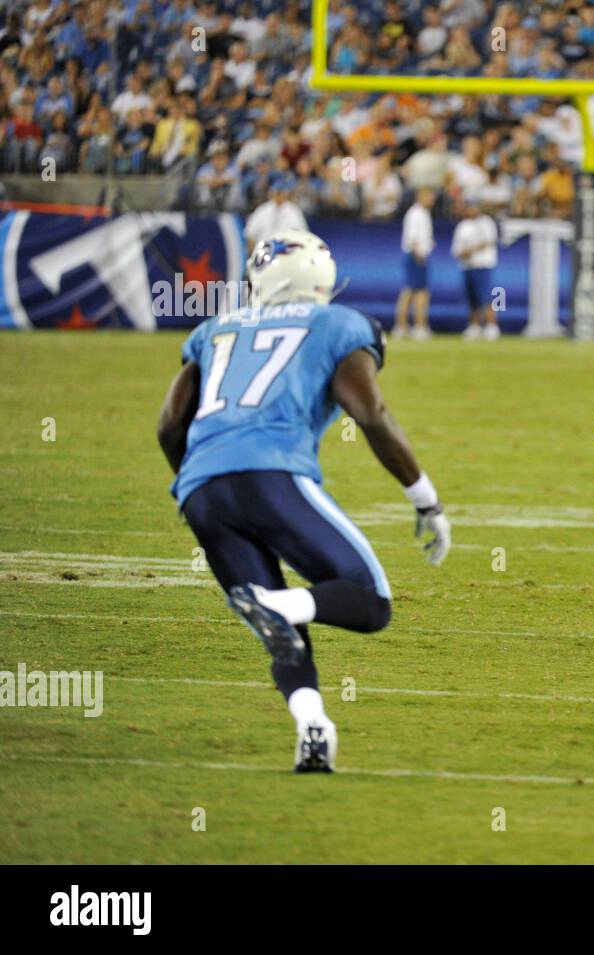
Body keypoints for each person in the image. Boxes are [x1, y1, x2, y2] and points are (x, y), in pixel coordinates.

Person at [155, 229, 452, 772]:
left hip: (201, 489)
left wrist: (197, 481)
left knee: (283, 634)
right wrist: (424, 497)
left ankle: (313, 728)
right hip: (271, 475)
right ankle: (278, 604)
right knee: (371, 602)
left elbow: (170, 423)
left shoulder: (215, 328)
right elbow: (372, 414)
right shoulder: (338, 323)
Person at [450, 197, 500, 340]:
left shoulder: (486, 222)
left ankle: (492, 326)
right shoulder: (462, 226)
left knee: (488, 297)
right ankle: (475, 325)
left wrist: (470, 250)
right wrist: (464, 253)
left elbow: (489, 241)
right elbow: (456, 250)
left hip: (483, 265)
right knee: (472, 300)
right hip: (467, 266)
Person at [395, 187, 435, 341]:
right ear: (421, 195)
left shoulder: (421, 213)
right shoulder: (416, 214)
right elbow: (412, 239)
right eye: (429, 195)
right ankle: (415, 326)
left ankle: (407, 326)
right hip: (416, 255)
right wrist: (419, 254)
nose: (432, 199)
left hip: (417, 254)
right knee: (416, 292)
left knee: (415, 291)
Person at [243, 175, 308, 253]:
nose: (279, 195)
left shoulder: (294, 212)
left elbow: (303, 236)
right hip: (264, 255)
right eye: (277, 192)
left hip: (286, 256)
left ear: (286, 193)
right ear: (271, 192)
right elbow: (250, 235)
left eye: (281, 192)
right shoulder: (262, 211)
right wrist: (253, 256)